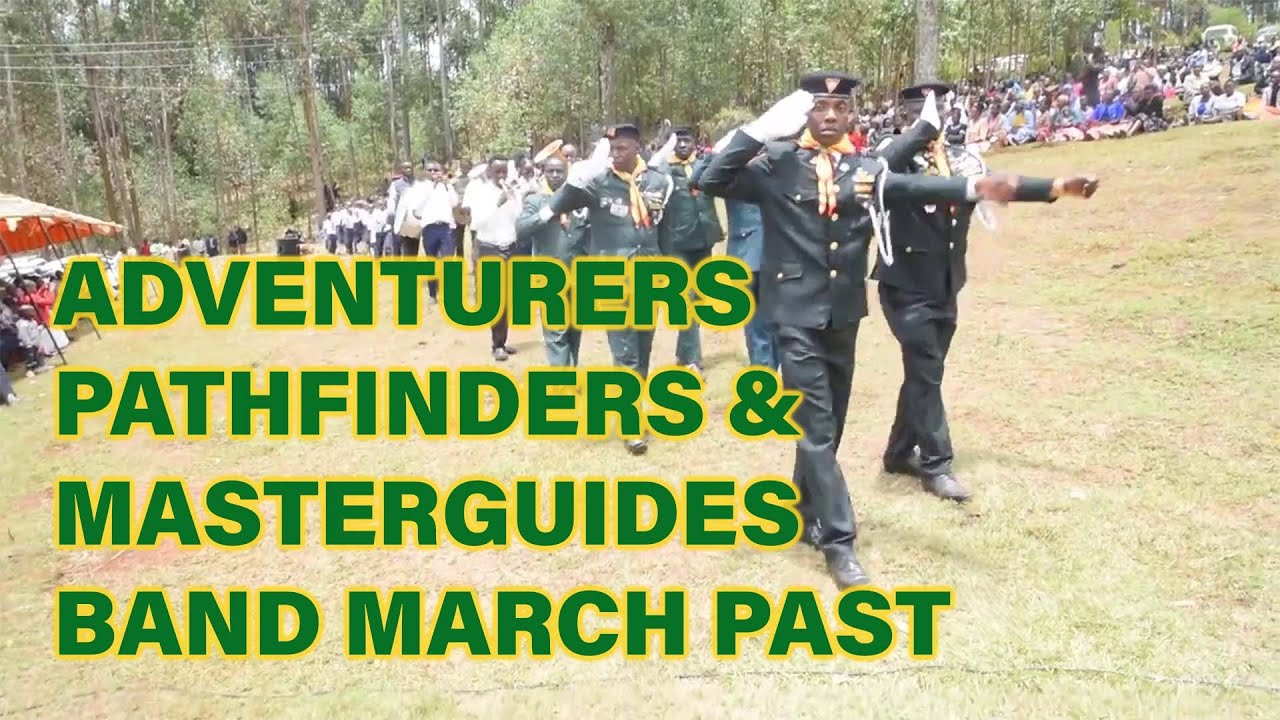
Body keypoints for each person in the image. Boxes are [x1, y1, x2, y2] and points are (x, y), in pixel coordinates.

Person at [697, 71, 1089, 589]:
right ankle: (839, 542)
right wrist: (759, 129)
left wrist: (1049, 189)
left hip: (842, 316)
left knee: (828, 428)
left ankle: (799, 508)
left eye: (841, 107)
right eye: (820, 107)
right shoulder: (776, 165)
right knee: (816, 428)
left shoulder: (868, 170)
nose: (831, 115)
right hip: (793, 316)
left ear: (855, 116)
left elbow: (954, 185)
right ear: (805, 115)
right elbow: (707, 178)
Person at [871, 82, 1100, 504]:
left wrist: (1057, 186)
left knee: (925, 372)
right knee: (926, 369)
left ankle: (899, 452)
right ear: (905, 116)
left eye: (938, 108)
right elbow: (879, 172)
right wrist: (920, 132)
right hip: (905, 286)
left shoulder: (960, 158)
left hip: (945, 283)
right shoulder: (890, 154)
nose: (935, 117)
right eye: (921, 110)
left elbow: (994, 185)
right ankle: (936, 464)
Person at [542, 124, 674, 456]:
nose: (616, 155)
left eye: (622, 149)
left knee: (643, 348)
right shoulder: (597, 182)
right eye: (612, 149)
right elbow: (564, 200)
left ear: (637, 148)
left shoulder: (659, 181)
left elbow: (665, 232)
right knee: (624, 353)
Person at [692, 142, 776, 370]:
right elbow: (697, 180)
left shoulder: (773, 166)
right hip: (746, 258)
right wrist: (716, 152)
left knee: (777, 320)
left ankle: (774, 370)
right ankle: (763, 371)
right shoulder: (731, 175)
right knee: (755, 324)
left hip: (776, 254)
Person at [652, 126, 723, 377]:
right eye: (678, 141)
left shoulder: (705, 165)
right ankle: (693, 359)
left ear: (695, 142)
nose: (683, 145)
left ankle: (684, 354)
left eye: (687, 140)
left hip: (704, 240)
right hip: (676, 243)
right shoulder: (663, 171)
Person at [516, 155, 590, 367]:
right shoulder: (535, 201)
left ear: (567, 173)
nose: (555, 175)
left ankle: (570, 370)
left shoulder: (581, 199)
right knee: (556, 331)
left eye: (559, 171)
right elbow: (521, 229)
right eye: (551, 171)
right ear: (543, 173)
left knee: (575, 328)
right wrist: (548, 212)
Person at [462, 157, 524, 362]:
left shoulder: (509, 190)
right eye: (497, 172)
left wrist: (516, 197)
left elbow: (519, 217)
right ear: (488, 172)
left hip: (510, 247)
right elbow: (476, 223)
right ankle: (497, 344)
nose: (501, 176)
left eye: (504, 172)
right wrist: (497, 203)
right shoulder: (480, 192)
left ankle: (503, 341)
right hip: (489, 248)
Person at [398, 160, 460, 301]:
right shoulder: (420, 187)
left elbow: (455, 202)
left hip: (446, 228)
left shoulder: (446, 186)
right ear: (425, 172)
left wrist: (447, 186)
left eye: (436, 170)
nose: (433, 173)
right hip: (429, 229)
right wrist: (432, 187)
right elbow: (416, 208)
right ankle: (433, 293)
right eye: (430, 170)